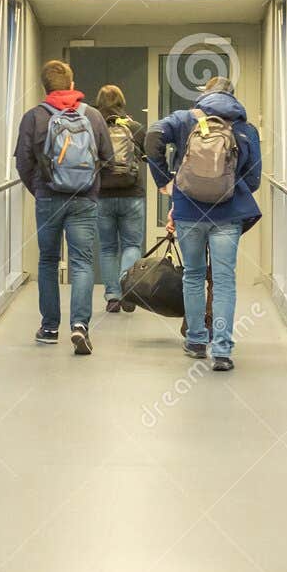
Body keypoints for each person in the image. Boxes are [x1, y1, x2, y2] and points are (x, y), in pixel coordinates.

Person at [145, 75, 262, 371]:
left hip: (188, 211)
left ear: (204, 95)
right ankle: (221, 350)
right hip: (228, 212)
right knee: (223, 281)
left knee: (194, 276)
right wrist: (229, 185)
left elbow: (151, 137)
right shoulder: (245, 128)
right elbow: (254, 179)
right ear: (233, 97)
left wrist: (166, 182)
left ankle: (196, 340)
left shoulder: (185, 119)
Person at [14, 59, 113, 355]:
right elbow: (108, 158)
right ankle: (80, 326)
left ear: (45, 87)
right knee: (81, 262)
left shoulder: (34, 117)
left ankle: (49, 328)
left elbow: (23, 162)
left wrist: (40, 190)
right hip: (83, 199)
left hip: (48, 197)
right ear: (72, 84)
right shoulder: (93, 116)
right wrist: (92, 188)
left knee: (48, 261)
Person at [92, 84, 148, 313]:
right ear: (122, 104)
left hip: (102, 195)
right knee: (132, 245)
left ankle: (112, 296)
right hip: (131, 194)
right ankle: (128, 291)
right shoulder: (134, 127)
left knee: (107, 248)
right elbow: (147, 156)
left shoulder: (94, 129)